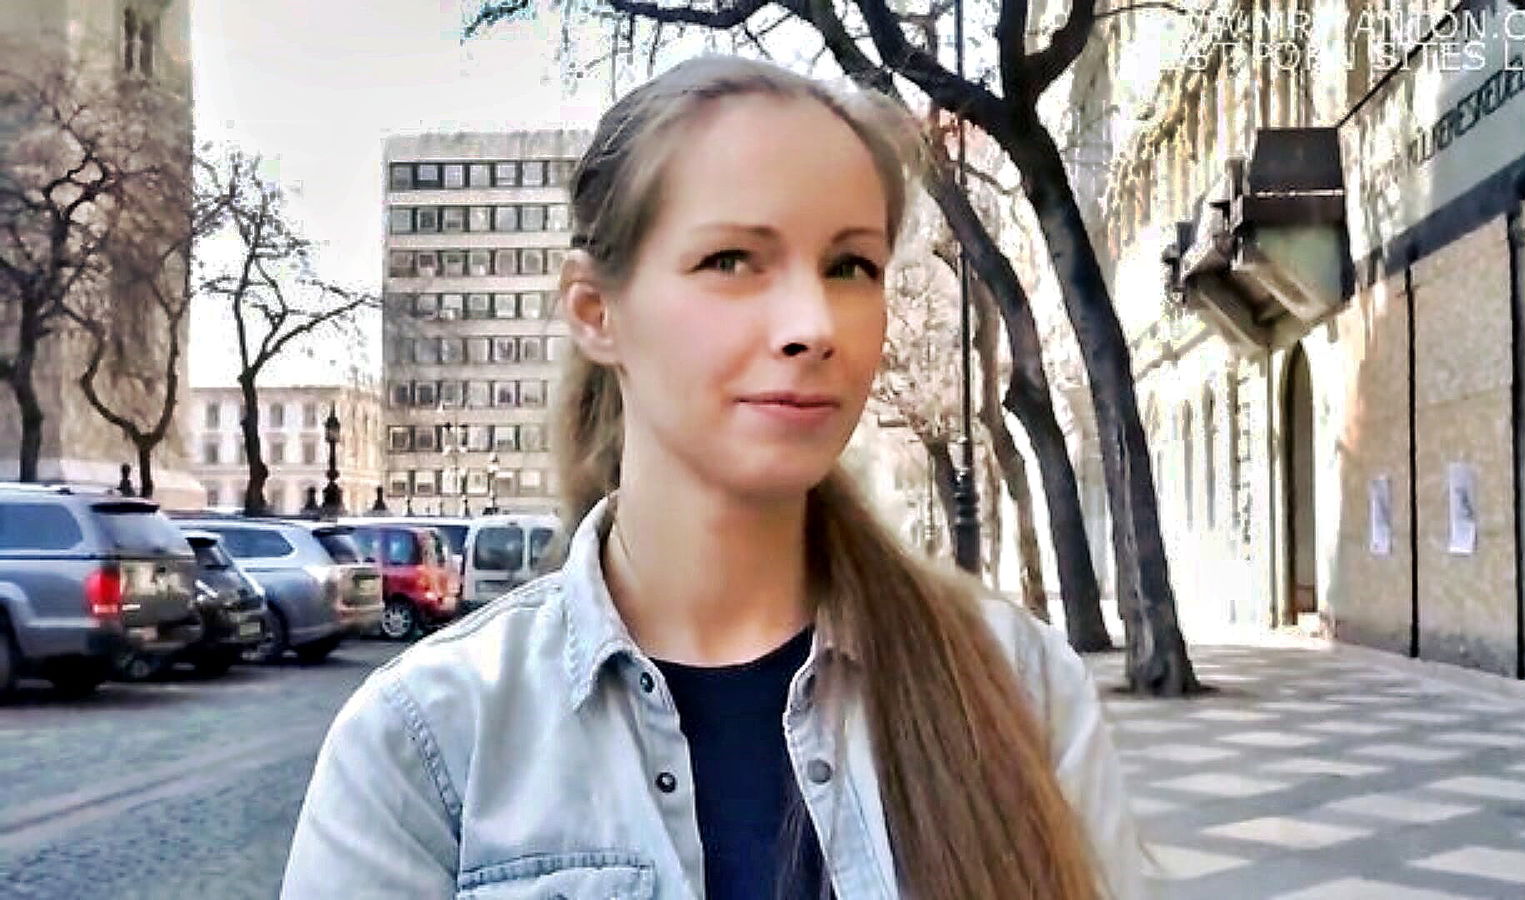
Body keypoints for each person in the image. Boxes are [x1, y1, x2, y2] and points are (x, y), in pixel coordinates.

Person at [282, 55, 1144, 899]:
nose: (812, 325)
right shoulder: (428, 739)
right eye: (732, 259)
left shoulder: (1020, 684)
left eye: (851, 266)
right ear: (596, 311)